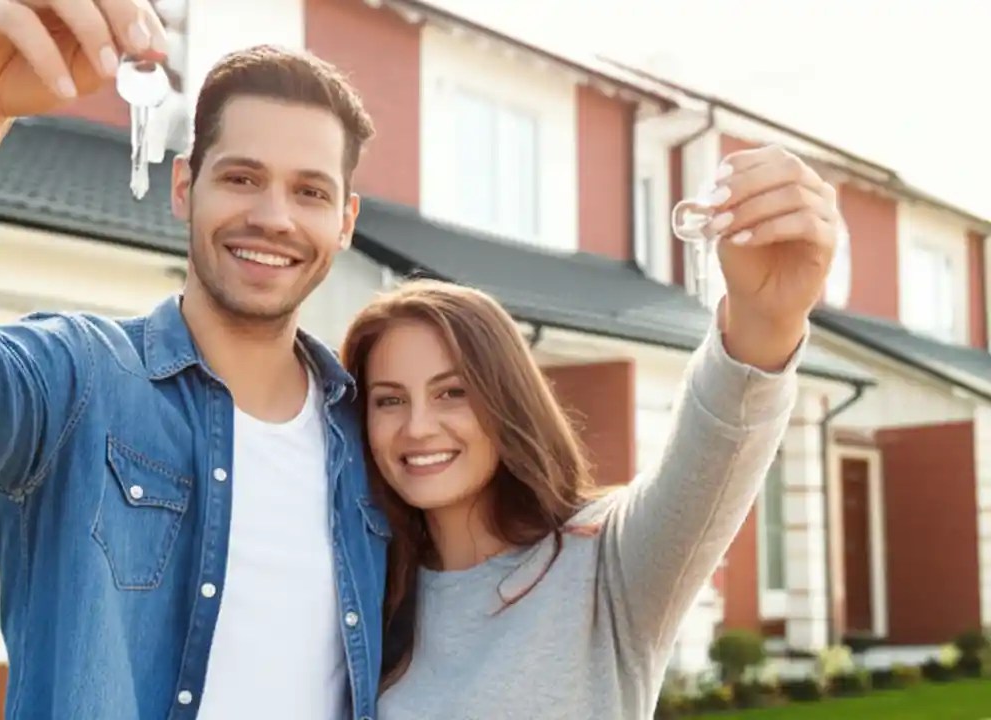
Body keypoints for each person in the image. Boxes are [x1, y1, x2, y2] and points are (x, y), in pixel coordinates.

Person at [0, 1, 389, 718]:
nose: (274, 216)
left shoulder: (374, 434)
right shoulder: (80, 382)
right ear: (185, 187)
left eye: (310, 191)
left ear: (345, 222)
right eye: (241, 177)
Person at [339, 145, 841, 719]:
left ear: (505, 400)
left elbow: (716, 446)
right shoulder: (369, 598)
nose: (418, 427)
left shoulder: (606, 564)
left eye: (453, 392)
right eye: (389, 400)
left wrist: (765, 320)